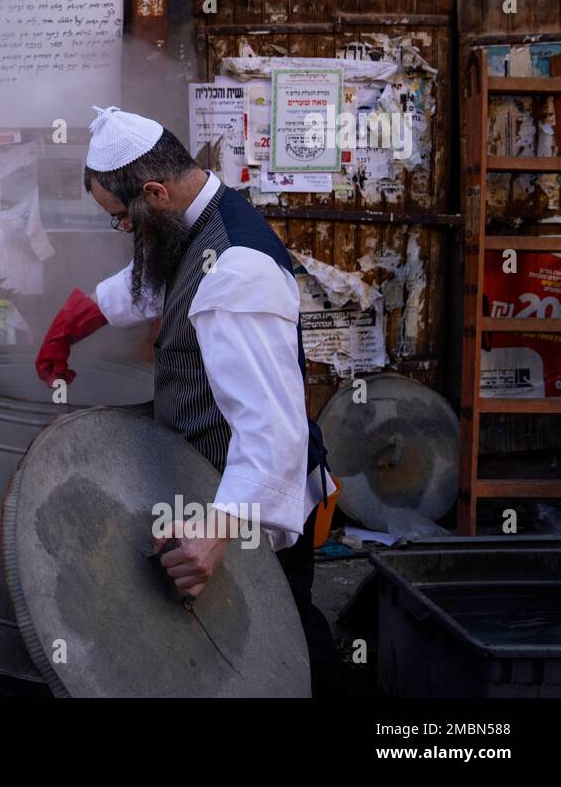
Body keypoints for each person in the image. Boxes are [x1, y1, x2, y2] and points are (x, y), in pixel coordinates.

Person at [35, 106, 341, 697]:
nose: (123, 231)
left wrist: (217, 529)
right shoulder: (196, 216)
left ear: (154, 191)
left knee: (281, 641)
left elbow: (273, 432)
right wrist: (78, 318)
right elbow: (156, 277)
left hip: (249, 505)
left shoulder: (237, 274)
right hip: (214, 485)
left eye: (122, 219)